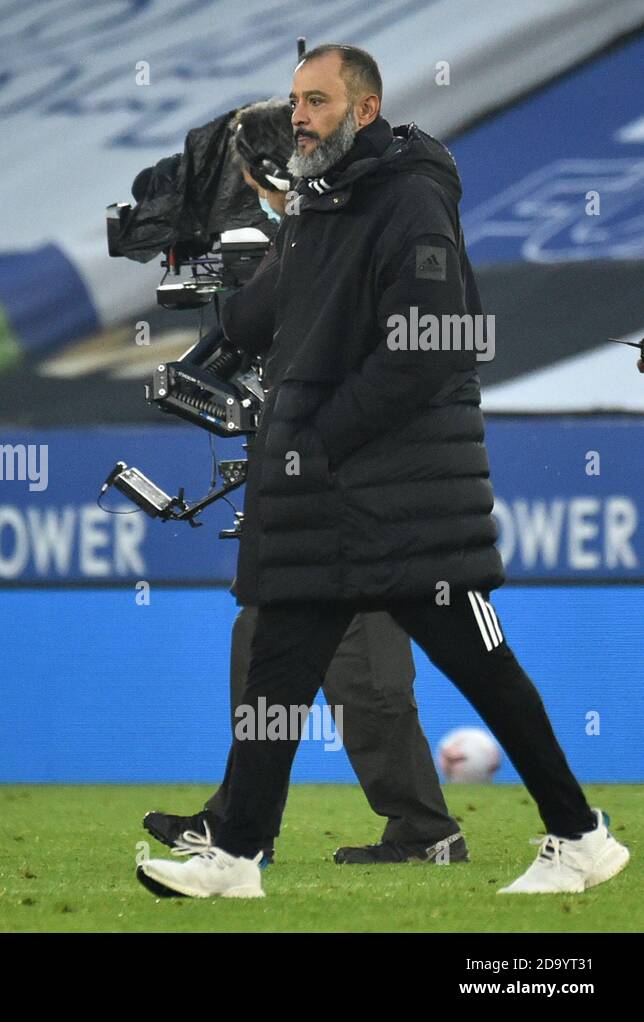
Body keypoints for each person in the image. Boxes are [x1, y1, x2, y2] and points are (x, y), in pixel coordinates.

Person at [136, 44, 629, 899]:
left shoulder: (409, 198)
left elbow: (434, 347)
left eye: (316, 101)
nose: (298, 117)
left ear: (364, 110)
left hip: (407, 504)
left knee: (488, 672)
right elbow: (263, 315)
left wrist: (322, 438)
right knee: (278, 676)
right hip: (326, 504)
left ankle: (580, 834)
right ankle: (237, 854)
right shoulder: (321, 206)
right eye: (294, 101)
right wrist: (214, 282)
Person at [142, 101, 467, 867]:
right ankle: (251, 826)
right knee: (284, 653)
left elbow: (266, 327)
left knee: (356, 665)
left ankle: (421, 831)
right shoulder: (358, 215)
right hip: (347, 485)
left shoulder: (337, 226)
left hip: (358, 485)